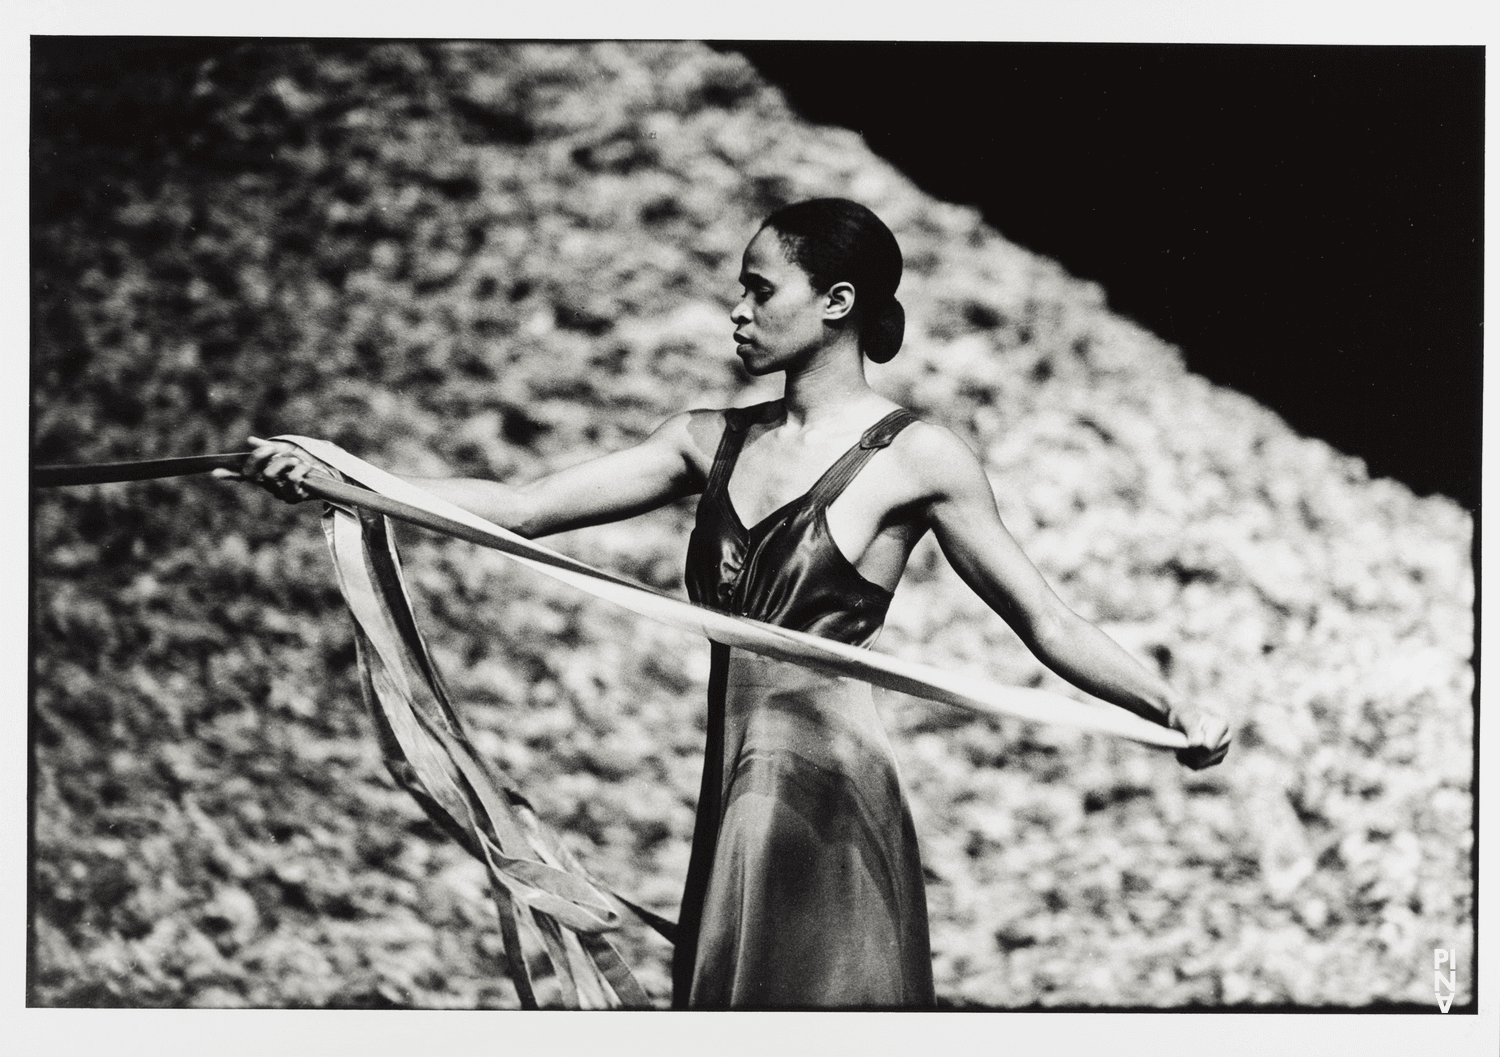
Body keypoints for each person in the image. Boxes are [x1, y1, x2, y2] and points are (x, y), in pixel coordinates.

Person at [237, 198, 1232, 1009]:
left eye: (761, 289)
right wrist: (336, 472)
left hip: (829, 797)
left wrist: (1168, 705)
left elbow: (1044, 620)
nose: (739, 312)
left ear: (837, 302)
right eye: (739, 291)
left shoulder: (915, 457)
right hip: (734, 793)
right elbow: (522, 507)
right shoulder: (704, 439)